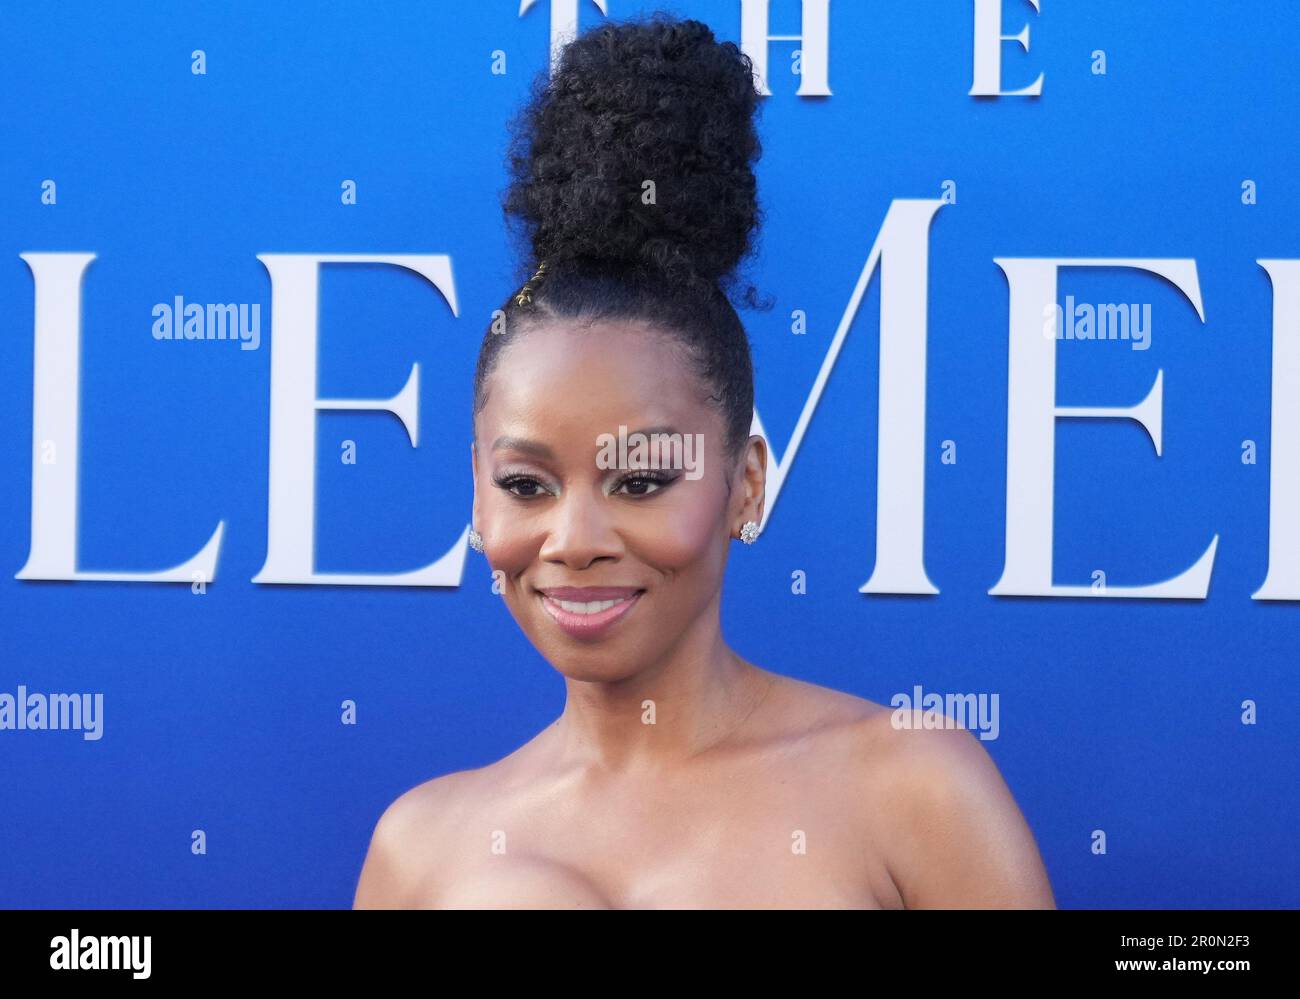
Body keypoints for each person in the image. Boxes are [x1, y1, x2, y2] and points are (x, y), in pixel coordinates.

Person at [354, 11, 1055, 909]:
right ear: (479, 498)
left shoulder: (913, 788)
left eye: (640, 479)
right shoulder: (420, 848)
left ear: (748, 480)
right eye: (527, 483)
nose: (574, 539)